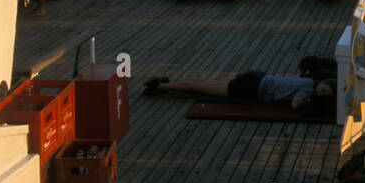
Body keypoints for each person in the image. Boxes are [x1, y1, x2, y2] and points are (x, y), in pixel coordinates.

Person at [143, 70, 335, 114]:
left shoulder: (309, 81)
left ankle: (167, 84)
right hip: (250, 88)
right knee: (200, 87)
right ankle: (160, 87)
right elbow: (295, 104)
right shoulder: (307, 88)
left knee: (202, 84)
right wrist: (308, 102)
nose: (322, 93)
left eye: (326, 94)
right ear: (322, 83)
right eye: (324, 89)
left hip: (256, 77)